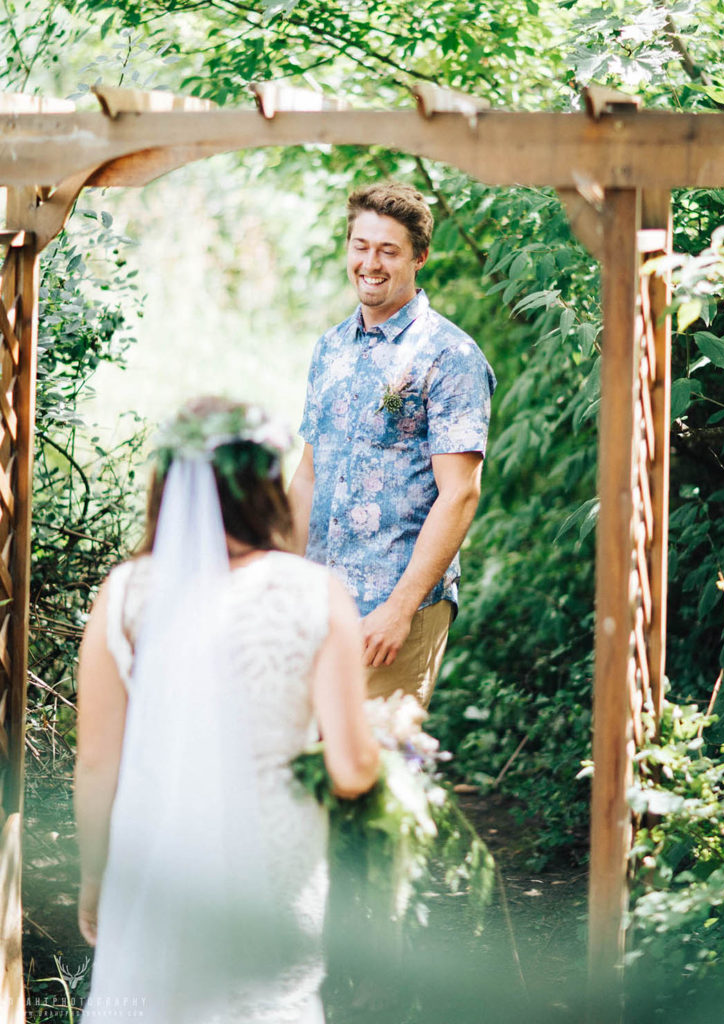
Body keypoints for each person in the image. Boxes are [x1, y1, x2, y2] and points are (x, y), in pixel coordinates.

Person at [74, 396, 379, 1024]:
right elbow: (351, 771)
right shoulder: (316, 595)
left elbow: (98, 763)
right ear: (266, 486)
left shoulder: (124, 594)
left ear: (169, 483)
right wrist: (387, 750)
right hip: (272, 875)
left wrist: (96, 875)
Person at [289, 181, 496, 708]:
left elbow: (460, 494)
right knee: (301, 754)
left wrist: (399, 610)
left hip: (389, 615)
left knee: (374, 757)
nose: (371, 263)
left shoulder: (450, 356)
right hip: (316, 608)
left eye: (388, 250)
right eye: (361, 246)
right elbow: (309, 475)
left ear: (419, 257)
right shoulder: (331, 347)